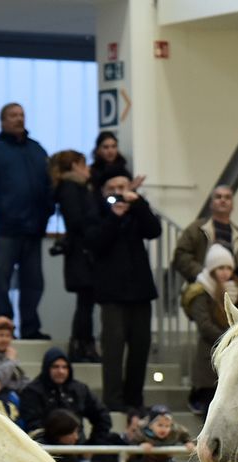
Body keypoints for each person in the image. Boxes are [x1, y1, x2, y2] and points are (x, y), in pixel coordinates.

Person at [0, 102, 53, 339]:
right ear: (3, 121)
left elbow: (49, 185)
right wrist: (1, 208)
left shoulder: (37, 150)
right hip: (5, 229)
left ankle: (30, 328)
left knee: (34, 283)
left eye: (22, 115)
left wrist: (46, 211)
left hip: (33, 229)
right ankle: (4, 329)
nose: (19, 119)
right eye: (13, 115)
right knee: (2, 282)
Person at [87, 168, 161, 411]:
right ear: (104, 192)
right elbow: (96, 243)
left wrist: (137, 204)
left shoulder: (137, 208)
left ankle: (134, 400)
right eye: (113, 189)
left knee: (140, 348)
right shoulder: (97, 211)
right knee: (114, 350)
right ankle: (114, 402)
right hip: (112, 294)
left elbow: (154, 230)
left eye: (123, 187)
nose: (119, 193)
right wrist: (114, 217)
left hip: (140, 291)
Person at [50, 149, 102, 363]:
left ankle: (82, 343)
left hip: (82, 251)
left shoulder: (76, 188)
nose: (88, 168)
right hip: (81, 252)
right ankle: (82, 344)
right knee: (85, 301)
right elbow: (76, 221)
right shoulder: (71, 189)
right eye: (84, 164)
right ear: (75, 166)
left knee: (86, 302)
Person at [182, 243, 238, 414]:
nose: (225, 272)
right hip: (209, 351)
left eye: (229, 268)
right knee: (210, 400)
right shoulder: (200, 292)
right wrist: (231, 336)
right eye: (220, 267)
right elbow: (204, 325)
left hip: (230, 347)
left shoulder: (235, 289)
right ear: (212, 269)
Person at [19, 347, 114, 442]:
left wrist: (93, 444)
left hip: (77, 448)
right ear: (47, 368)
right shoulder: (32, 392)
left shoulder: (80, 389)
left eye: (65, 367)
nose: (61, 371)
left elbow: (102, 416)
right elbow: (33, 424)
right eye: (55, 367)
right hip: (46, 449)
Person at [172, 185, 238, 282]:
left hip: (235, 289)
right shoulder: (196, 230)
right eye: (218, 197)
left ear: (232, 205)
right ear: (211, 204)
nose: (223, 200)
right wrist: (203, 275)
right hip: (203, 288)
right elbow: (181, 255)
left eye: (227, 197)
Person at [126, 405, 194, 462]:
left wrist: (188, 442)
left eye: (167, 426)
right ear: (151, 425)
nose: (163, 429)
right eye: (160, 425)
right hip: (146, 460)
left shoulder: (175, 430)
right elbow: (131, 445)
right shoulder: (141, 431)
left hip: (165, 459)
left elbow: (185, 435)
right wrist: (140, 445)